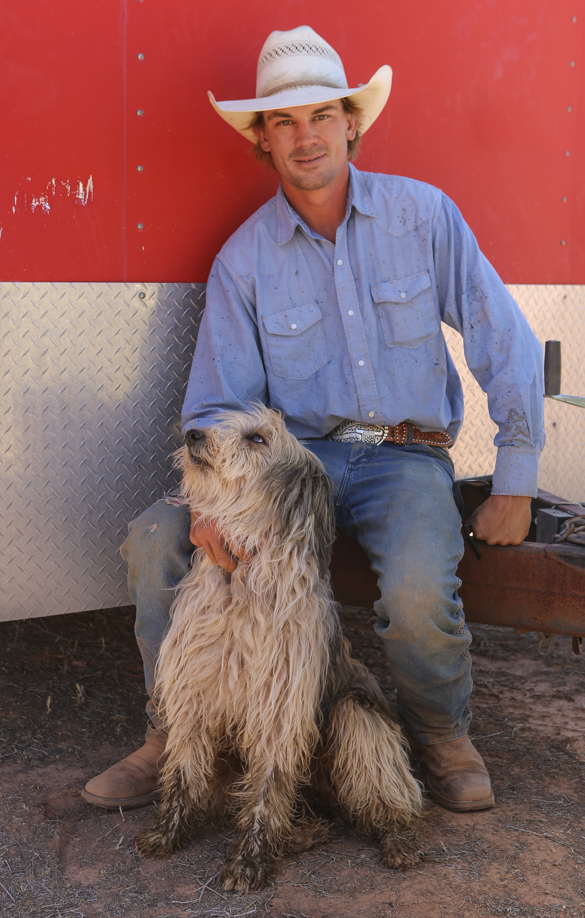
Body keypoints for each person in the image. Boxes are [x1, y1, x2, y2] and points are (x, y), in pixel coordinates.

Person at [82, 26, 544, 814]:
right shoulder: (244, 259)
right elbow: (218, 406)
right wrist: (204, 507)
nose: (305, 136)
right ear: (261, 139)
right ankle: (172, 735)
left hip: (404, 457)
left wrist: (516, 477)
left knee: (416, 587)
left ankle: (440, 735)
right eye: (284, 122)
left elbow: (504, 341)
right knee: (154, 541)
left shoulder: (423, 217)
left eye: (320, 115)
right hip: (288, 469)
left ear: (352, 122)